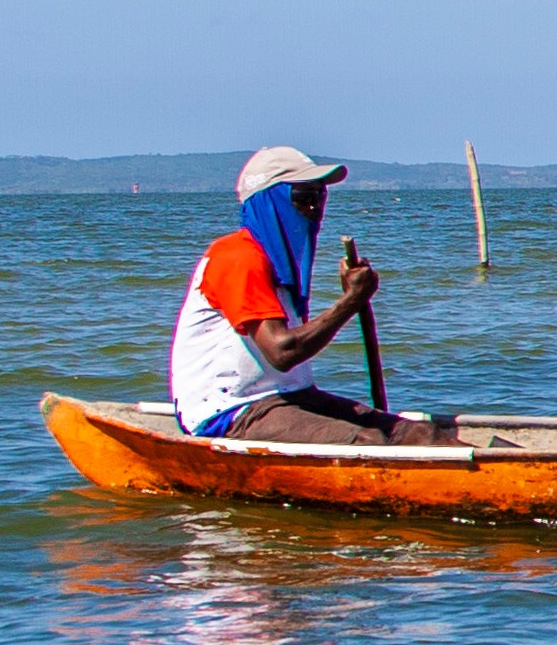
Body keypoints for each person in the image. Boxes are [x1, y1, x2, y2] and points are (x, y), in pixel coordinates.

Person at [167, 146, 454, 445]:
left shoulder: (281, 268)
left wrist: (352, 297)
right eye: (302, 198)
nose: (315, 208)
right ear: (270, 203)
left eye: (319, 197)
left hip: (291, 397)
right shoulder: (238, 257)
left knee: (419, 434)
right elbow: (282, 352)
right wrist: (351, 301)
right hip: (230, 412)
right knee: (367, 442)